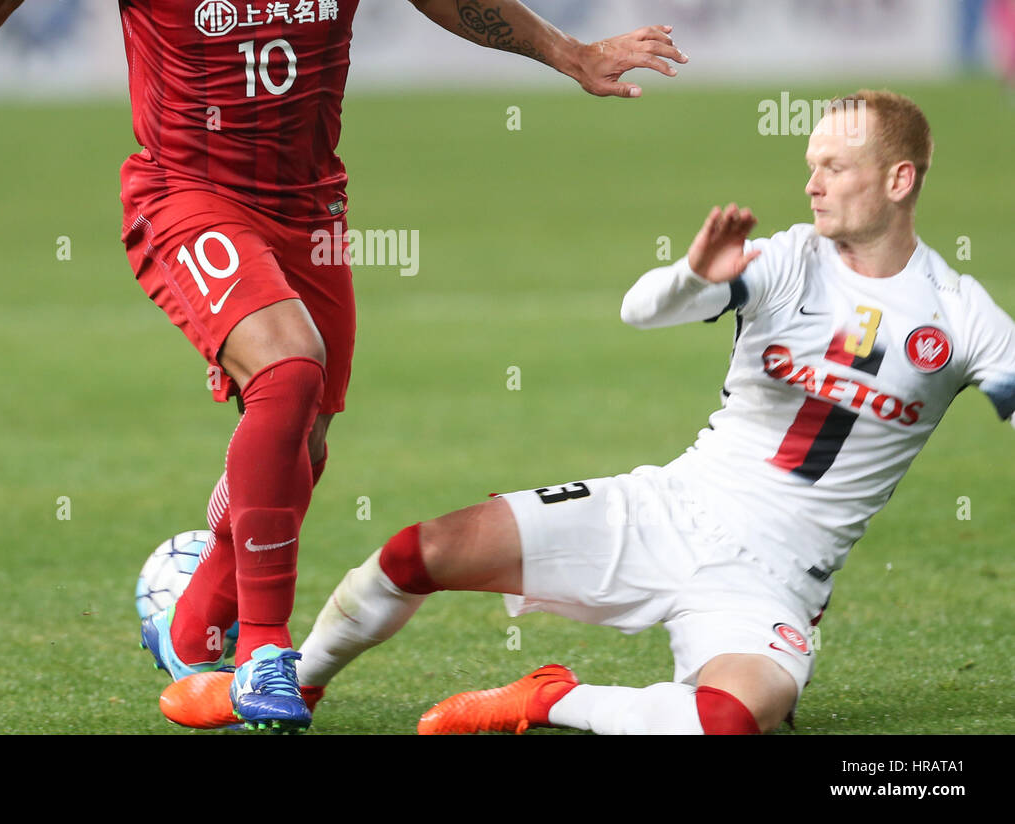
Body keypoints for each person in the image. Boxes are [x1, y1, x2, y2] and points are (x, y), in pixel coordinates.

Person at [0, 0, 686, 731]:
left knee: (304, 443)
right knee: (287, 371)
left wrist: (571, 56)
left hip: (310, 211)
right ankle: (264, 657)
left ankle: (194, 629)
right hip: (185, 198)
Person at [161, 89, 1015, 734]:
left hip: (775, 579)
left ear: (899, 179)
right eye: (810, 161)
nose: (812, 181)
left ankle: (552, 698)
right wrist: (695, 274)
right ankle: (290, 684)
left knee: (730, 719)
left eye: (835, 166)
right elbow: (642, 311)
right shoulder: (793, 258)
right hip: (669, 507)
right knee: (416, 552)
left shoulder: (963, 313)